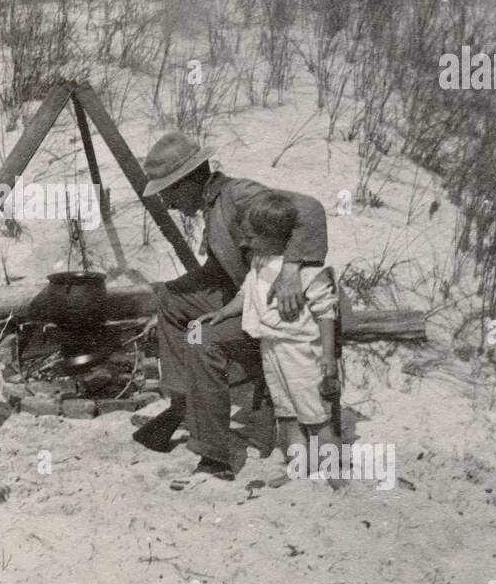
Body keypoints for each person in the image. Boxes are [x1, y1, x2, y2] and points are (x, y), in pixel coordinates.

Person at [134, 131, 328, 481]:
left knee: (199, 340)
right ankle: (185, 402)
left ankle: (215, 457)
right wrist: (179, 289)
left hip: (277, 309)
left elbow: (310, 210)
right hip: (246, 294)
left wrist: (290, 270)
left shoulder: (240, 195)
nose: (168, 203)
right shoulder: (213, 205)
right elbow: (228, 263)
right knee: (170, 298)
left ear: (190, 181)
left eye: (169, 192)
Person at [199, 192, 342, 486]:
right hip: (271, 348)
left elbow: (327, 313)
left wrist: (328, 356)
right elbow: (246, 295)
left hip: (302, 352)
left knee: (316, 417)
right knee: (287, 414)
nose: (244, 243)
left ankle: (336, 476)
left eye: (251, 237)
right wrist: (223, 313)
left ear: (274, 237)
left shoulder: (308, 272)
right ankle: (299, 470)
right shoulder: (260, 263)